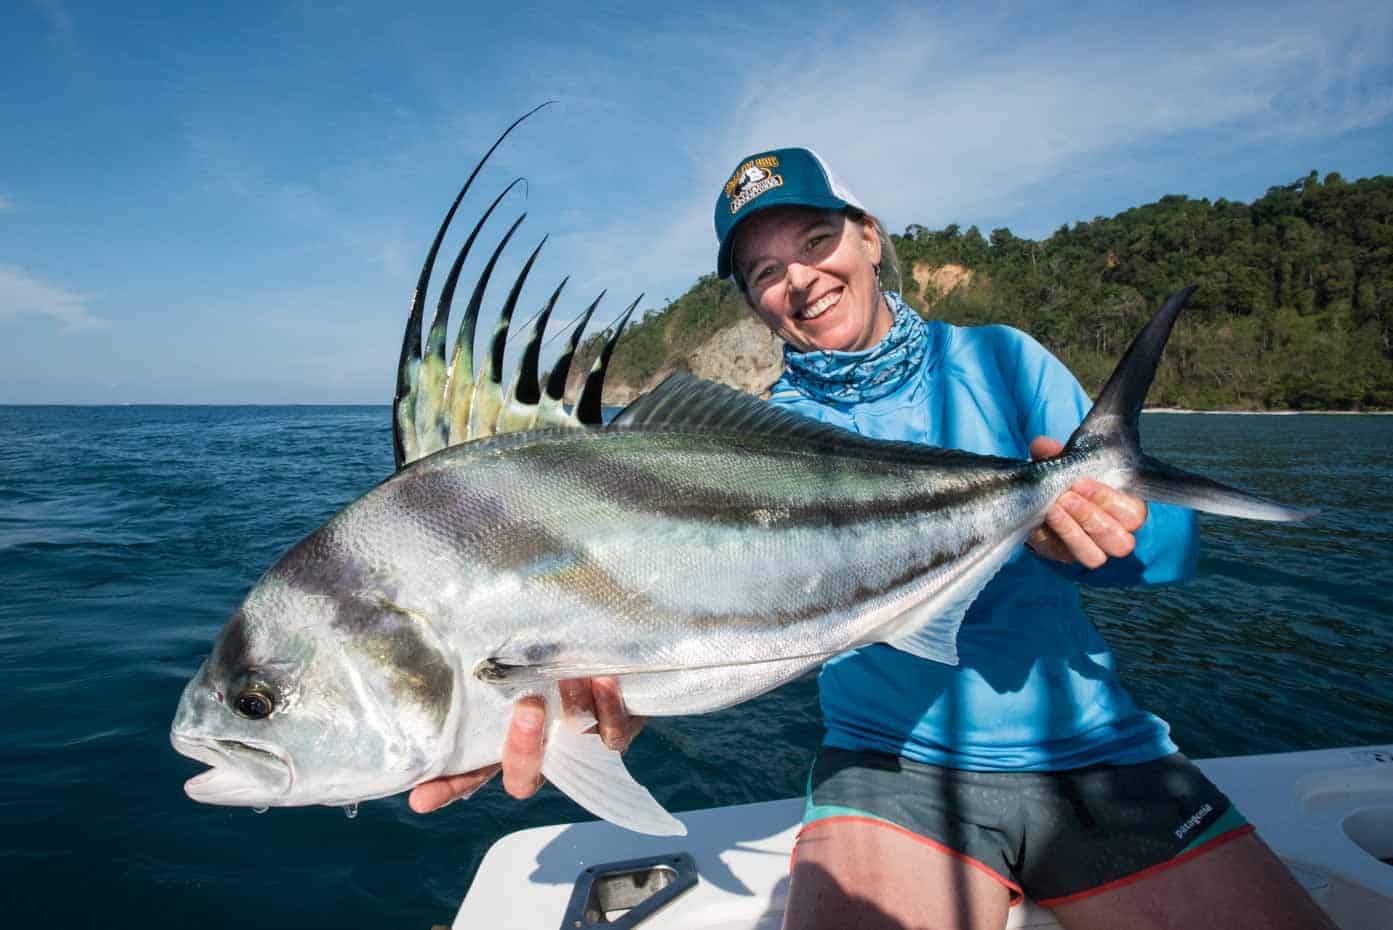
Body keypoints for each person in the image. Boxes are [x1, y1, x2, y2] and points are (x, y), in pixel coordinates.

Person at [412, 148, 1336, 930]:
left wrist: (1091, 536)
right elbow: (719, 616)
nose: (798, 280)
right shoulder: (749, 441)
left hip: (1099, 751)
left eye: (813, 243)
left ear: (867, 235)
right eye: (765, 272)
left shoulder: (1003, 362)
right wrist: (609, 697)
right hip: (885, 769)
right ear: (751, 301)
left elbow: (1174, 555)